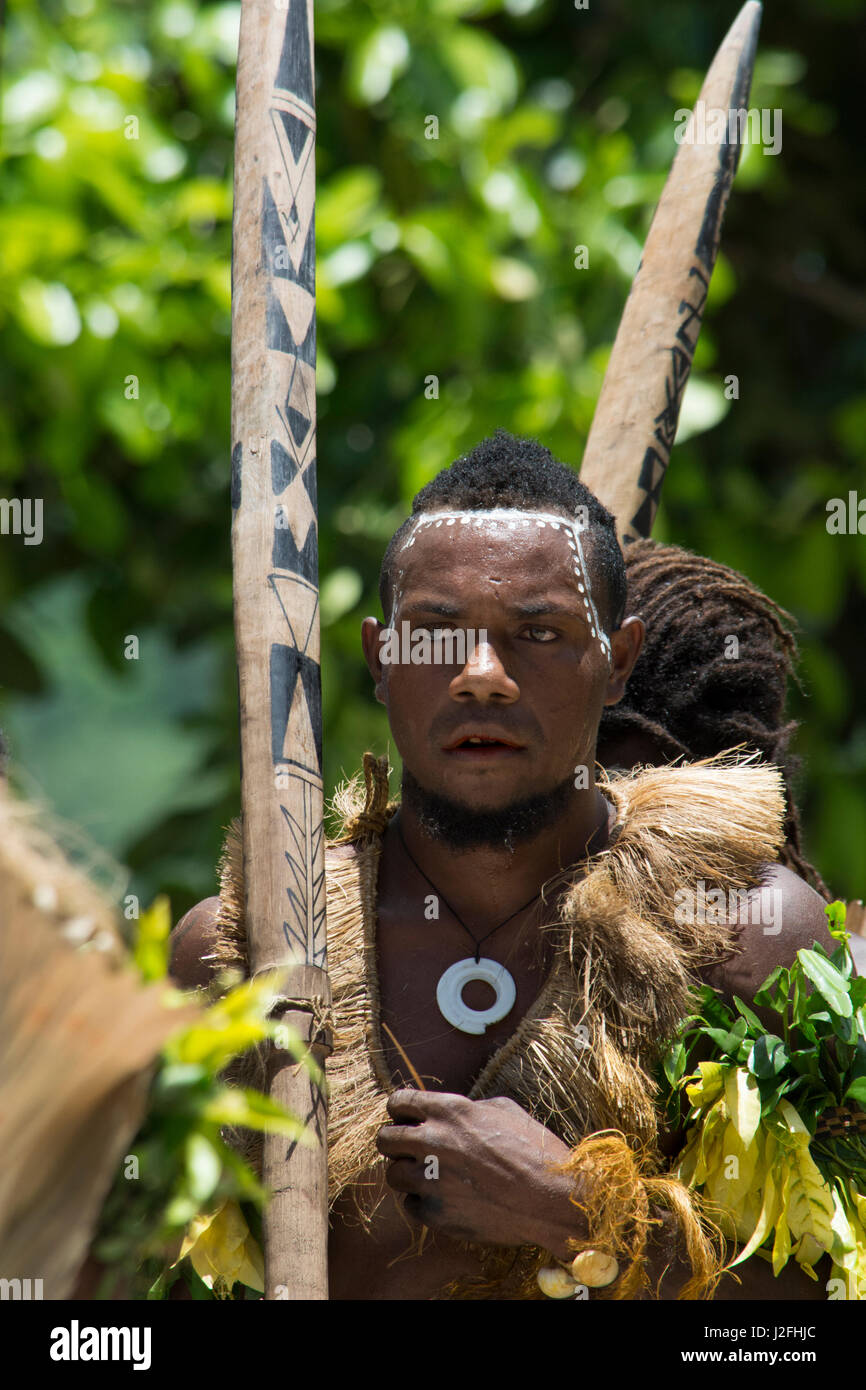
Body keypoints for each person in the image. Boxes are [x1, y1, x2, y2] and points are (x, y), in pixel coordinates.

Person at [171, 430, 838, 1300]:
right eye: (436, 634)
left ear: (619, 662)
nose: (481, 676)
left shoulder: (743, 934)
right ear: (380, 659)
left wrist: (574, 1211)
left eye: (540, 632)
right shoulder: (240, 953)